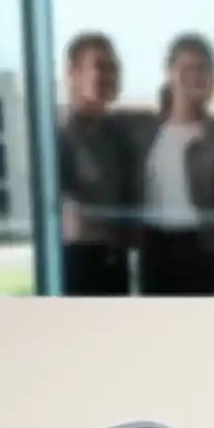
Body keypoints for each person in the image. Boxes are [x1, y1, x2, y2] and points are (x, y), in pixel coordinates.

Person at [131, 33, 214, 295]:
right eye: (187, 69)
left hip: (205, 249)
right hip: (155, 248)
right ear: (169, 74)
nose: (195, 77)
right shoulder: (146, 132)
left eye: (203, 69)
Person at [58, 32, 135, 295]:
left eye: (113, 68)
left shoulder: (117, 132)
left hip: (116, 260)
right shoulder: (60, 134)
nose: (109, 76)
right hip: (78, 261)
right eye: (100, 67)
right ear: (73, 74)